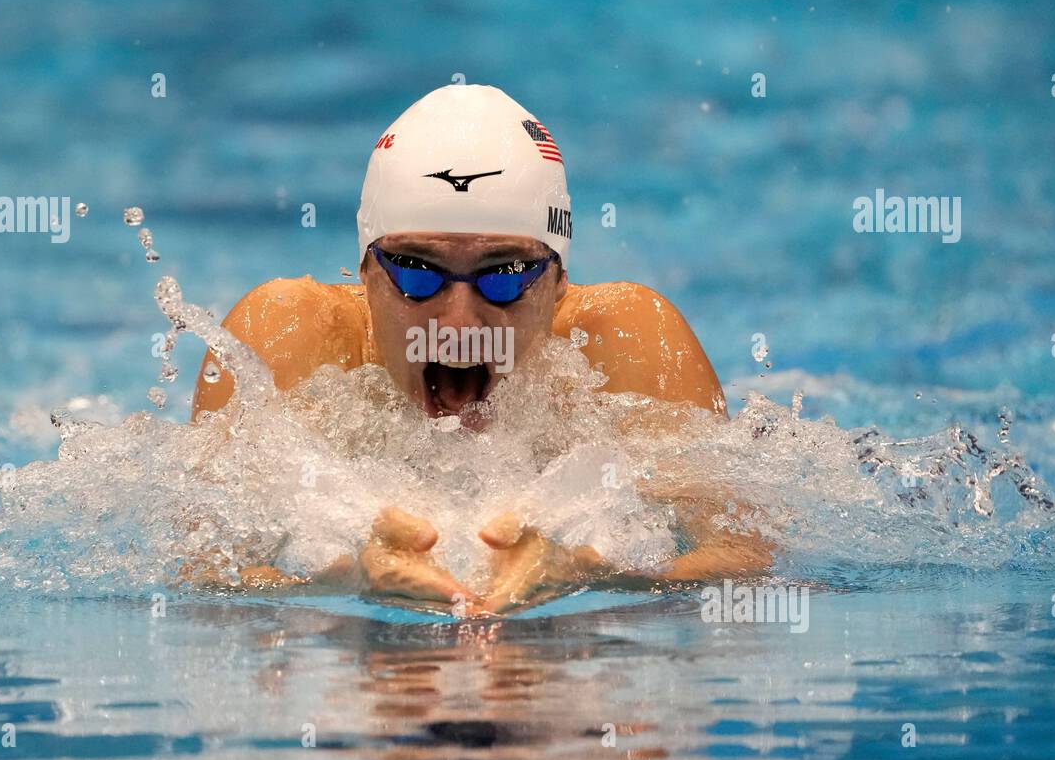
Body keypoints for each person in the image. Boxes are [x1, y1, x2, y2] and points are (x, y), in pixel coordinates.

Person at [187, 84, 771, 615]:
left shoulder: (625, 340)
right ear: (365, 271)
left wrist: (589, 575)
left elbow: (748, 558)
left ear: (559, 280)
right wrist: (347, 583)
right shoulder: (288, 336)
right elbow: (199, 568)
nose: (460, 321)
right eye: (418, 274)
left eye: (505, 275)